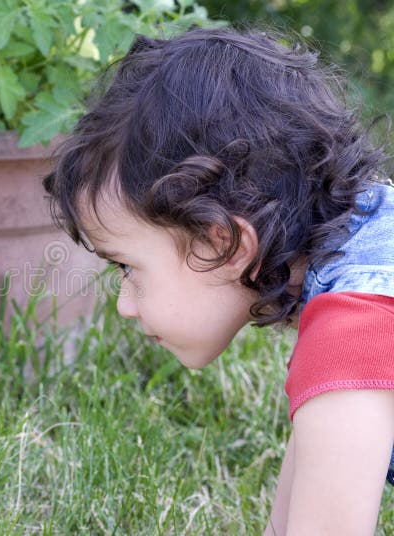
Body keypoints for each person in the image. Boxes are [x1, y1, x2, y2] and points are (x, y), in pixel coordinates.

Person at [43, 27, 394, 534]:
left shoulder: (356, 330)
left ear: (223, 244)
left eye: (127, 268)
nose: (124, 304)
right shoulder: (356, 266)